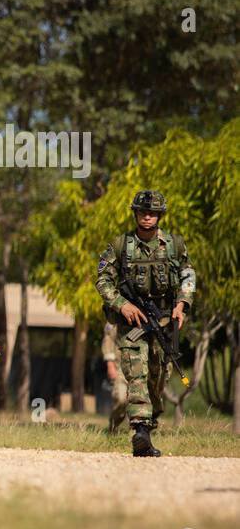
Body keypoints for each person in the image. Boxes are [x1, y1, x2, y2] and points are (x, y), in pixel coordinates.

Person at [95, 190, 195, 457]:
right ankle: (139, 430)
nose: (147, 216)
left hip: (163, 322)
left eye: (152, 212)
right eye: (142, 212)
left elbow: (188, 275)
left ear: (160, 215)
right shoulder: (120, 245)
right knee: (136, 375)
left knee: (158, 381)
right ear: (136, 214)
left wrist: (181, 305)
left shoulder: (175, 245)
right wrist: (121, 304)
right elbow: (103, 280)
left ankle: (147, 433)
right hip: (133, 325)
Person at [101, 322, 128, 434]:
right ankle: (113, 423)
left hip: (141, 368)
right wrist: (110, 364)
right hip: (120, 368)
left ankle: (138, 435)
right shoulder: (118, 315)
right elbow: (108, 339)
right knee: (121, 399)